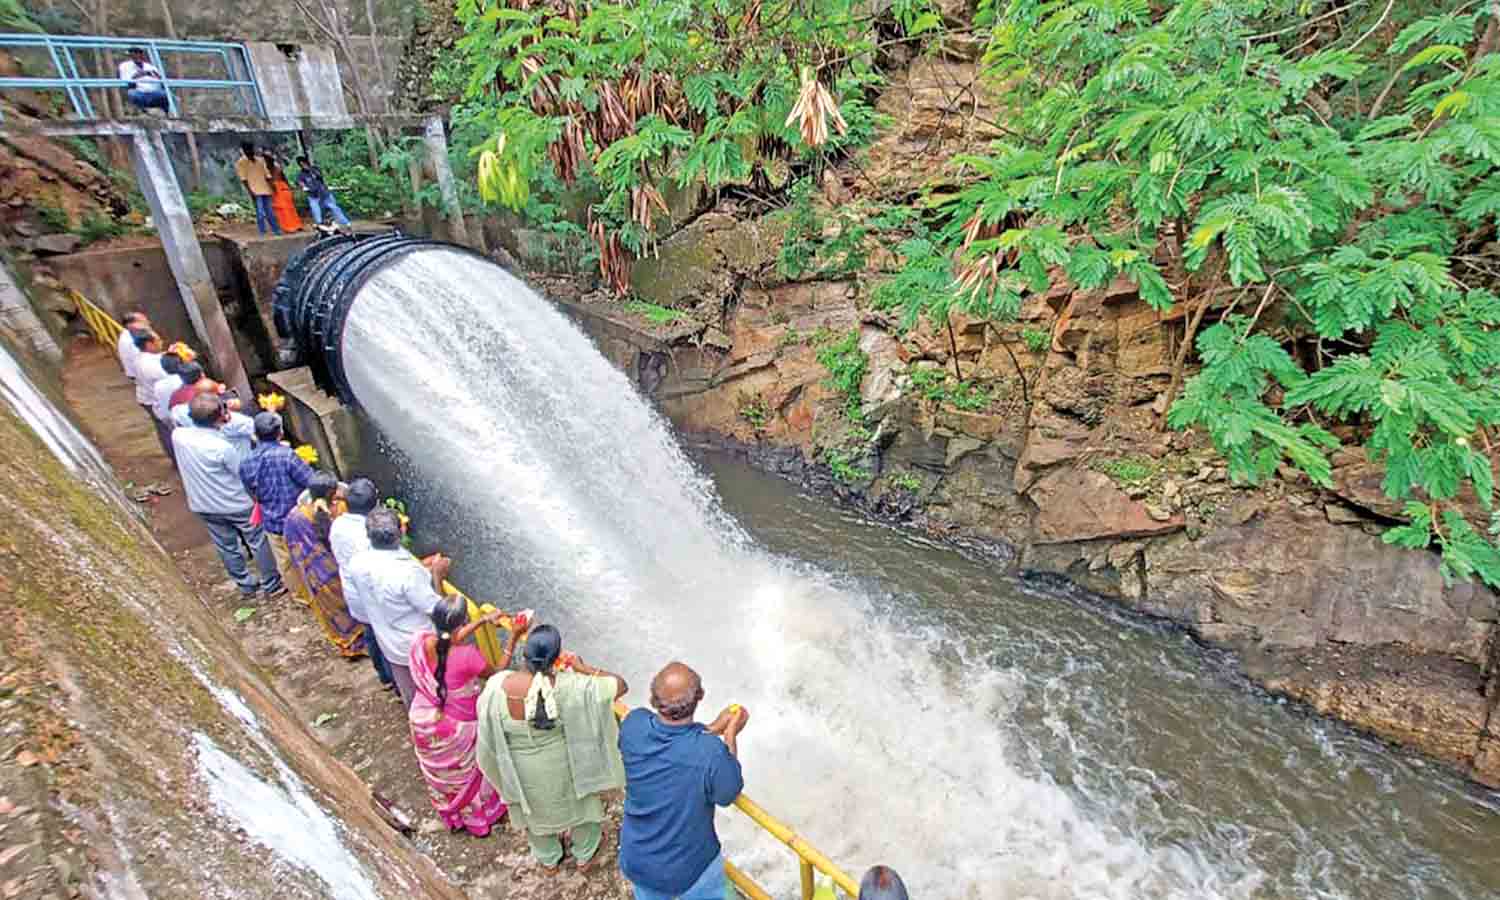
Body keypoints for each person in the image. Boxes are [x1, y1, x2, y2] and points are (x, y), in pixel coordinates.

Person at [476, 625, 628, 872]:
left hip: (519, 768)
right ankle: (584, 854)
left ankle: (549, 860)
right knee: (581, 808)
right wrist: (583, 668)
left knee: (532, 813)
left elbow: (485, 726)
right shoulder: (570, 687)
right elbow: (620, 685)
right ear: (556, 659)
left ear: (525, 655)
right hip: (565, 767)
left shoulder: (496, 686)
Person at [618, 662, 747, 900]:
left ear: (653, 699)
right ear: (700, 697)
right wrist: (729, 734)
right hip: (691, 868)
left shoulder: (632, 725)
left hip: (638, 858)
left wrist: (710, 729)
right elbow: (728, 792)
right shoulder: (711, 753)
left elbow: (674, 741)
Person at [408, 594, 522, 836]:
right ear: (461, 625)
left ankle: (457, 815)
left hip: (427, 719)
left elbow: (449, 638)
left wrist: (481, 622)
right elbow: (497, 673)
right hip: (458, 725)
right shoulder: (468, 656)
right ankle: (483, 815)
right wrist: (513, 638)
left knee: (451, 777)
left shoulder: (421, 641)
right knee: (472, 771)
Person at [173, 393, 287, 601]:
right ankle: (272, 583)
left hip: (202, 503)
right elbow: (243, 474)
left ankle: (245, 584)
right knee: (258, 540)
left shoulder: (178, 436)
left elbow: (179, 411)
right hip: (236, 503)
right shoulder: (222, 448)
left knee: (226, 545)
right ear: (222, 418)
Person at [343, 507, 450, 707]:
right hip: (419, 646)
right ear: (400, 533)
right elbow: (439, 610)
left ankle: (420, 726)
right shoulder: (407, 573)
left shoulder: (357, 562)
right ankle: (442, 729)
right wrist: (437, 575)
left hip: (389, 643)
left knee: (411, 696)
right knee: (435, 694)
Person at [284, 471, 368, 657]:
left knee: (332, 610)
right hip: (333, 570)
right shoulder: (338, 513)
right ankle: (358, 642)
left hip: (314, 573)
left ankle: (348, 645)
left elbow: (291, 546)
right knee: (349, 605)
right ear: (332, 493)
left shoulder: (295, 515)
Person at [329, 478, 396, 691]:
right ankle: (395, 681)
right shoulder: (367, 537)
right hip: (371, 595)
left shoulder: (338, 523)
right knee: (385, 637)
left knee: (371, 632)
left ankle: (384, 677)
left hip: (353, 592)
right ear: (374, 505)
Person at [238, 412, 313, 590]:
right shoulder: (287, 455)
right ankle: (315, 592)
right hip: (296, 521)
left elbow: (252, 493)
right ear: (280, 433)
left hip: (271, 521)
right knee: (307, 558)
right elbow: (310, 481)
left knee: (286, 563)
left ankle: (299, 596)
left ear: (255, 435)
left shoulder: (245, 462)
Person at [132, 331, 173, 458]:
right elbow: (168, 378)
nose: (161, 342)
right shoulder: (150, 366)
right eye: (158, 340)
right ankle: (176, 458)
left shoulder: (142, 358)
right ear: (149, 344)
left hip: (149, 398)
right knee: (167, 431)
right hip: (156, 401)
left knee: (163, 429)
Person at [294, 155, 352, 229]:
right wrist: (303, 187)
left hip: (324, 193)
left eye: (304, 163)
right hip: (313, 196)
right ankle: (320, 224)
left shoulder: (315, 169)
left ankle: (346, 223)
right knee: (315, 210)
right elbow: (300, 183)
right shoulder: (300, 174)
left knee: (334, 208)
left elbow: (320, 177)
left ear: (307, 162)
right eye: (301, 164)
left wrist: (312, 173)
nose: (303, 165)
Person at [236, 143, 280, 236]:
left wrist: (272, 186)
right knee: (260, 213)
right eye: (247, 150)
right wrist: (250, 192)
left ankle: (276, 230)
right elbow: (244, 179)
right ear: (244, 151)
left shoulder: (260, 160)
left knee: (270, 211)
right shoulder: (241, 162)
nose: (249, 152)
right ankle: (262, 232)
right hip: (255, 191)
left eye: (250, 150)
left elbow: (267, 174)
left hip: (265, 189)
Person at [118, 47, 168, 113]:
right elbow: (126, 82)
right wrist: (138, 75)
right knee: (132, 93)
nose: (137, 56)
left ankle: (168, 114)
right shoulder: (124, 66)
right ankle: (141, 111)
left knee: (166, 94)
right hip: (139, 93)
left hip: (154, 93)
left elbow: (161, 80)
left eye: (139, 54)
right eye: (134, 54)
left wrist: (156, 76)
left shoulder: (150, 67)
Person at [266, 151, 303, 233]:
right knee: (289, 208)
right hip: (283, 187)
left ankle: (290, 227)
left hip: (277, 188)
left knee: (283, 209)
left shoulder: (269, 168)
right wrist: (289, 187)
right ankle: (296, 225)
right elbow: (284, 178)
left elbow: (271, 180)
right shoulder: (276, 166)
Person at [116, 312, 148, 379]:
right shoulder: (130, 340)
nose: (146, 321)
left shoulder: (130, 333)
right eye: (141, 321)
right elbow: (143, 361)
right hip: (140, 374)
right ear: (129, 325)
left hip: (138, 370)